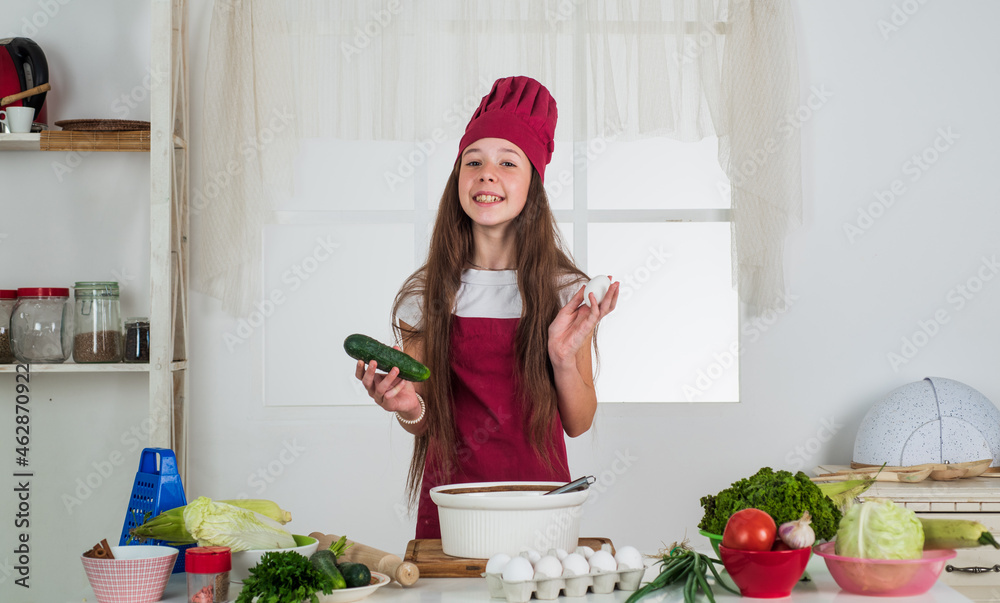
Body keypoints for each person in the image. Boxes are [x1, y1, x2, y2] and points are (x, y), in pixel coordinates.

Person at [354, 75, 620, 538]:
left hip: (540, 505)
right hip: (453, 507)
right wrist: (405, 405)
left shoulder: (565, 292)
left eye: (507, 162)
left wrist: (561, 358)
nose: (487, 173)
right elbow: (422, 420)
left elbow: (579, 423)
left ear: (534, 184)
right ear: (458, 179)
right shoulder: (425, 295)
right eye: (473, 161)